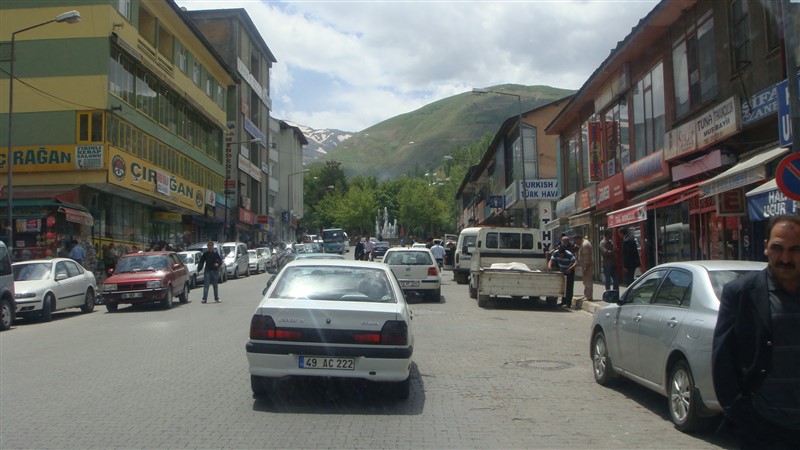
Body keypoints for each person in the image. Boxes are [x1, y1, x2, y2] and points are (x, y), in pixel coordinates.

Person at [712, 215, 800, 448]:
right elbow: (723, 363)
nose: (785, 258)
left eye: (795, 249)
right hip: (762, 428)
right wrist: (742, 415)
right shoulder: (741, 293)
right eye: (777, 248)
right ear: (765, 248)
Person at [548, 244, 577, 309]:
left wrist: (570, 269)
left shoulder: (569, 254)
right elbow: (551, 260)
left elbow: (576, 263)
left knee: (569, 288)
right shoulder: (556, 253)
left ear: (564, 252)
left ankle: (568, 303)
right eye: (560, 255)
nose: (561, 256)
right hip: (562, 271)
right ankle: (563, 302)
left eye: (562, 255)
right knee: (563, 287)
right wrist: (549, 266)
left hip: (569, 271)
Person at [574, 234, 594, 302]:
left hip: (587, 266)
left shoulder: (585, 245)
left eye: (576, 241)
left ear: (578, 239)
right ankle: (587, 295)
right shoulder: (583, 244)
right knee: (585, 281)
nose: (576, 243)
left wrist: (586, 267)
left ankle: (589, 296)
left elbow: (587, 257)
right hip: (585, 266)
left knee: (588, 281)